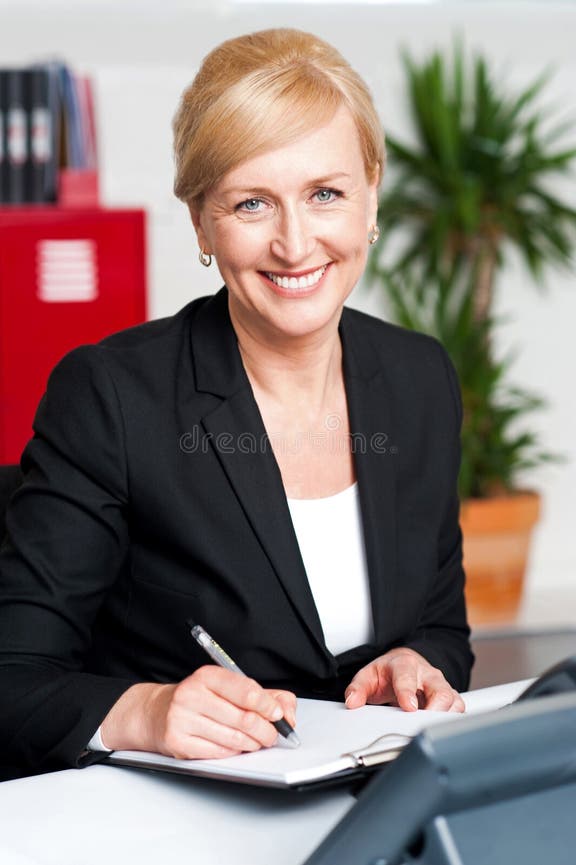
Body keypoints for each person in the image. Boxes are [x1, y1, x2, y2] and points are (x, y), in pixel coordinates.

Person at [0, 28, 473, 777]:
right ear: (201, 222)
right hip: (174, 817)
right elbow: (14, 681)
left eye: (325, 194)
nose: (295, 243)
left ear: (371, 193)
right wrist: (145, 712)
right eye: (252, 204)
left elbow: (445, 630)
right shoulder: (112, 396)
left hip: (374, 800)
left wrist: (417, 662)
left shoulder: (421, 379)